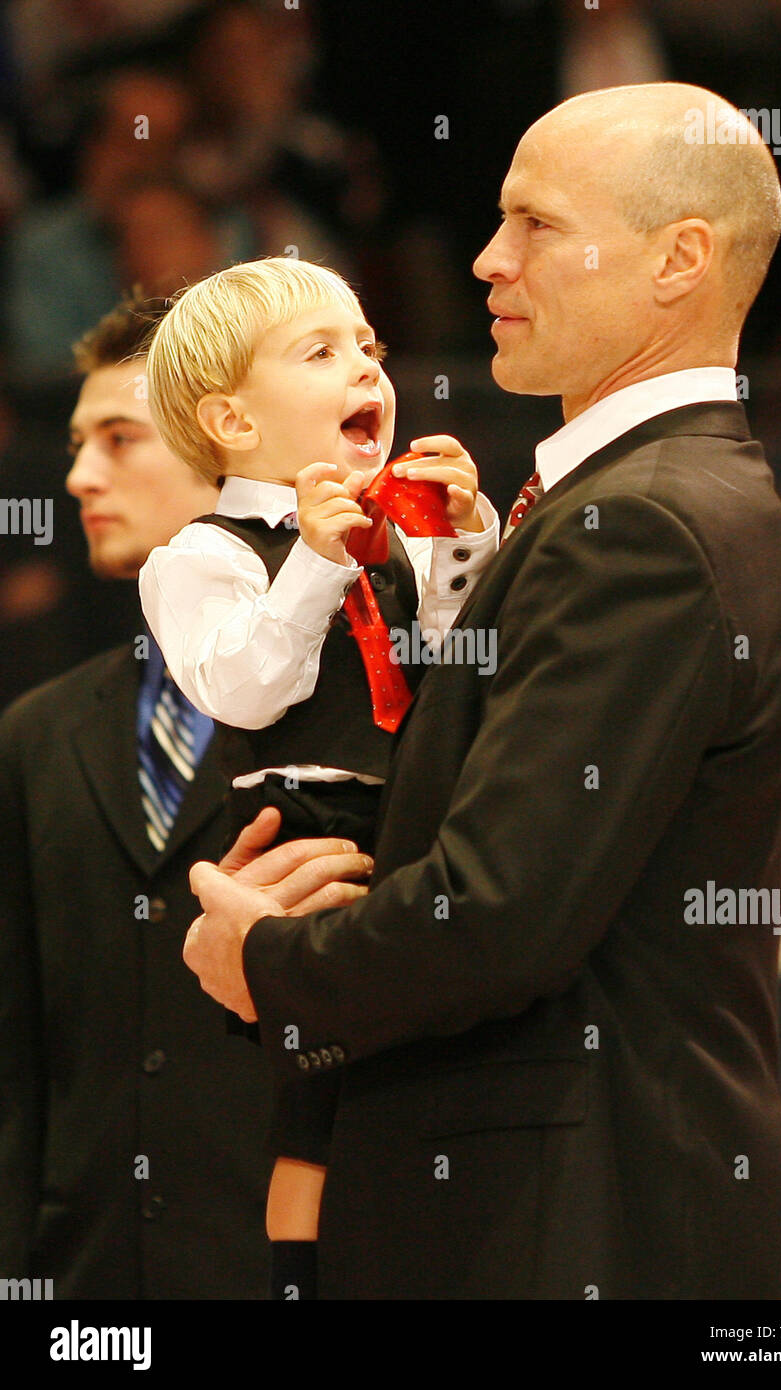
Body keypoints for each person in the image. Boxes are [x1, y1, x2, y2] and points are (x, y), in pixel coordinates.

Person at [184, 83, 781, 1299]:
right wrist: (336, 853)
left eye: (533, 224)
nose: (486, 260)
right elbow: (544, 856)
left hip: (577, 1230)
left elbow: (501, 914)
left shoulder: (640, 518)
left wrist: (267, 958)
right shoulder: (656, 498)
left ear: (679, 259)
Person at [138, 255, 498, 1297]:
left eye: (371, 350)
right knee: (321, 1086)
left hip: (422, 814)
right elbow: (241, 686)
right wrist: (318, 560)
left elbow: (460, 666)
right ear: (233, 422)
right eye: (322, 352)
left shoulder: (388, 533)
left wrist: (467, 541)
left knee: (419, 1077)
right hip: (305, 828)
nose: (365, 372)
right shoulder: (202, 552)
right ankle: (302, 1276)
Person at [0, 295, 366, 1299]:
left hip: (309, 1262)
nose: (79, 474)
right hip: (84, 1284)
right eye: (78, 442)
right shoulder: (35, 733)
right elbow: (18, 1064)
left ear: (225, 435)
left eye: (118, 438)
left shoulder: (376, 702)